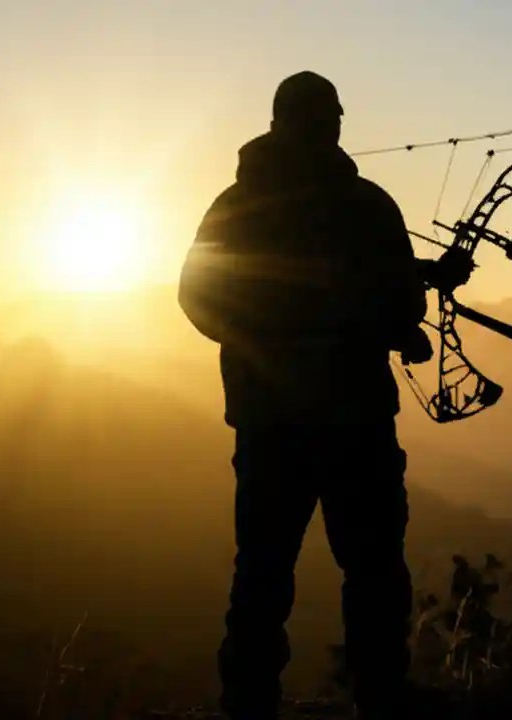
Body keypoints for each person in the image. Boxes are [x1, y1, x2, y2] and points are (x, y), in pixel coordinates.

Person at [178, 71, 433, 719]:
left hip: (268, 422)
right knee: (372, 568)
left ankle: (248, 703)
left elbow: (197, 298)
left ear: (275, 123)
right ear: (329, 123)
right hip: (358, 423)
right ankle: (381, 697)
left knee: (262, 568)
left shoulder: (233, 206)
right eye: (333, 117)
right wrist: (389, 328)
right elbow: (402, 305)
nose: (336, 127)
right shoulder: (368, 206)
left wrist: (263, 347)